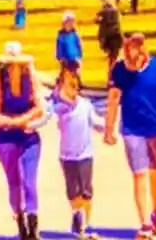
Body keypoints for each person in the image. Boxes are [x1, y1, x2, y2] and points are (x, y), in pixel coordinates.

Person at [104, 33, 156, 239]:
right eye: (128, 47)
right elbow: (113, 100)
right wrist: (108, 129)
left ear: (143, 48)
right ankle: (145, 224)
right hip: (132, 130)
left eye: (136, 47)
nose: (132, 51)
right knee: (139, 174)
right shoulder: (119, 70)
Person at [0, 41, 45, 240]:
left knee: (30, 180)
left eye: (16, 63)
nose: (13, 66)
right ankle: (20, 220)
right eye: (10, 63)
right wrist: (10, 122)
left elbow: (40, 107)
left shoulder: (31, 77)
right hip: (5, 137)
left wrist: (20, 121)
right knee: (15, 181)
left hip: (28, 135)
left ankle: (33, 224)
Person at [41, 68, 105, 240]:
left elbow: (96, 122)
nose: (73, 90)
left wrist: (109, 127)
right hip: (67, 156)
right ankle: (78, 215)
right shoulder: (58, 107)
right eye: (68, 86)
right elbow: (44, 116)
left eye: (75, 86)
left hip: (85, 154)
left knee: (86, 192)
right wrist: (29, 126)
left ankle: (85, 226)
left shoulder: (85, 105)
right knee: (72, 192)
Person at [95, 0, 123, 73]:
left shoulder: (102, 13)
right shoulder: (116, 12)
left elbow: (96, 20)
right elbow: (119, 26)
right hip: (116, 36)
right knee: (114, 57)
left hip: (107, 37)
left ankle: (111, 74)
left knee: (111, 58)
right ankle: (114, 73)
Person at [56, 11, 84, 75]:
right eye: (68, 22)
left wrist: (79, 57)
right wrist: (60, 57)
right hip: (65, 60)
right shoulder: (61, 35)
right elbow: (59, 47)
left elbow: (79, 45)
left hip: (75, 59)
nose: (71, 24)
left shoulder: (75, 34)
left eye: (72, 22)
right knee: (65, 75)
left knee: (76, 75)